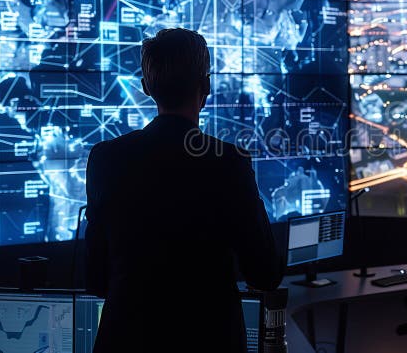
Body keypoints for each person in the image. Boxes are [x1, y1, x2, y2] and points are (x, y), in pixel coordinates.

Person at [85, 28, 283, 353]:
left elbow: (95, 279)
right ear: (206, 87)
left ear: (146, 87)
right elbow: (265, 275)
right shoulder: (228, 162)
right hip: (208, 341)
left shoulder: (105, 158)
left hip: (125, 340)